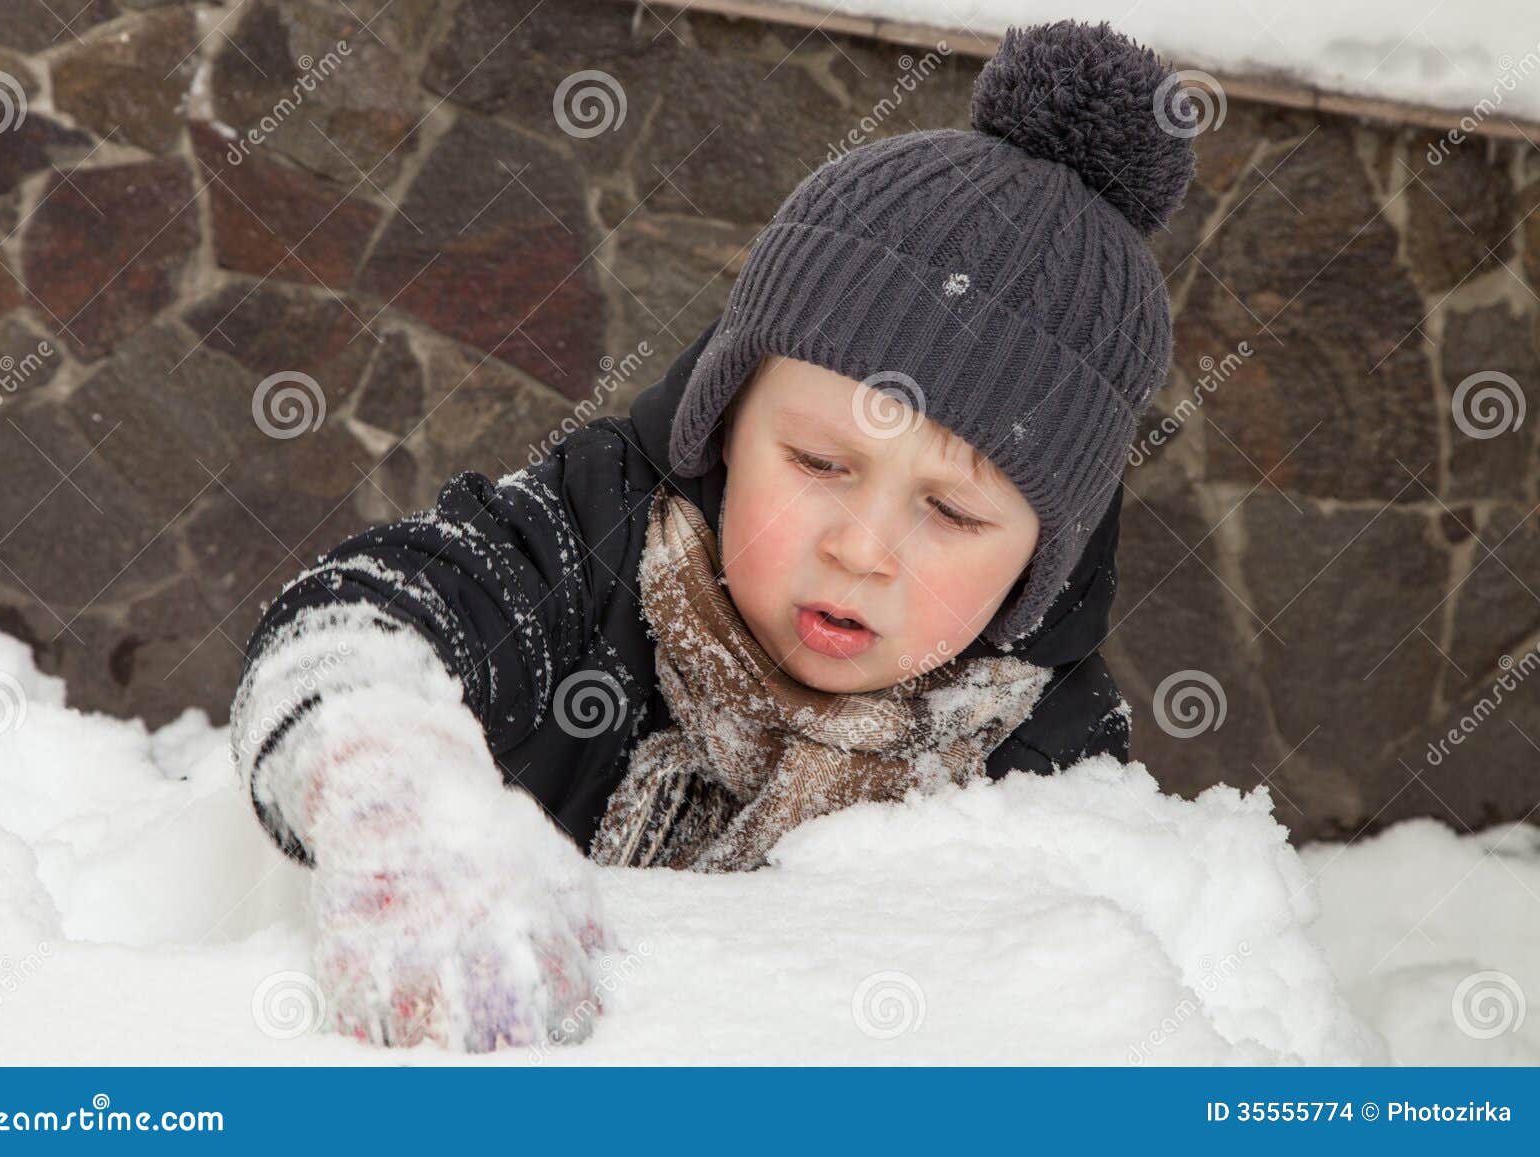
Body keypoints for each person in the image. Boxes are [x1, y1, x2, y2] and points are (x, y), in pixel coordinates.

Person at [226, 18, 1197, 1054]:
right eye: (819, 463)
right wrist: (383, 777)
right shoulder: (593, 542)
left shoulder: (1045, 762)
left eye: (952, 513)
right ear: (724, 424)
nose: (862, 549)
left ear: (1039, 563)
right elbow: (361, 616)